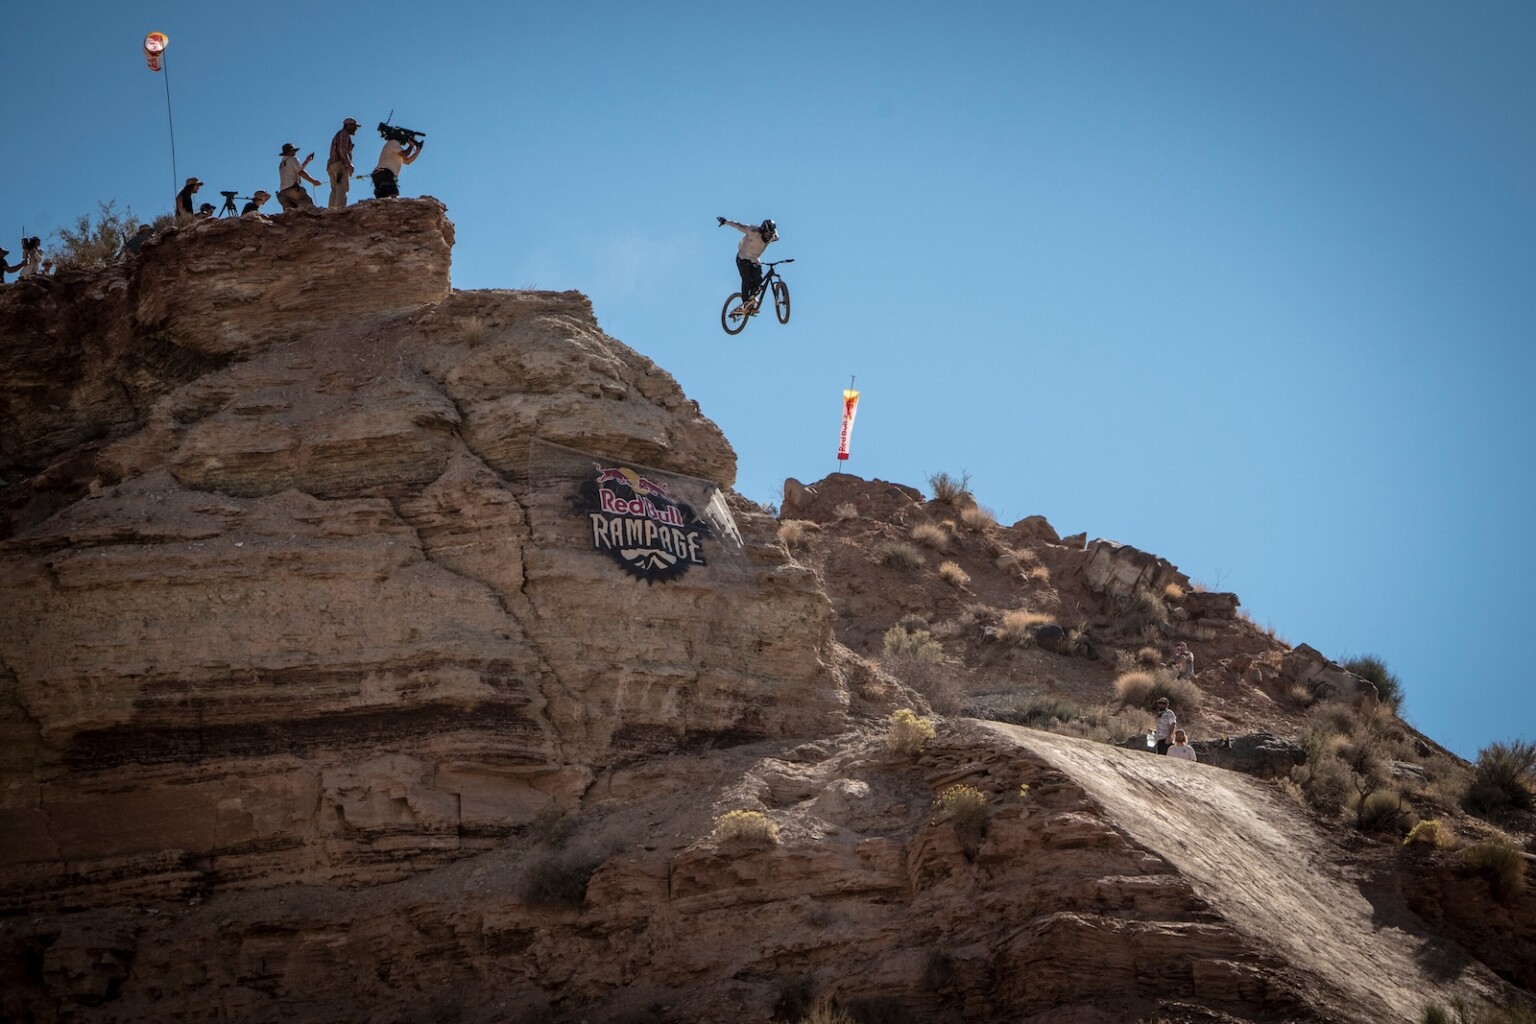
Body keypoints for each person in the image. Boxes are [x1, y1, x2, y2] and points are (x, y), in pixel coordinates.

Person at [717, 216, 778, 313]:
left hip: (755, 259)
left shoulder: (773, 236)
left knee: (758, 280)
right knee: (747, 280)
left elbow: (776, 237)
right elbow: (738, 225)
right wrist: (725, 221)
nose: (768, 236)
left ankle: (751, 299)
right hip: (743, 258)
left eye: (770, 234)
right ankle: (745, 302)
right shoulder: (753, 230)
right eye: (766, 233)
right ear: (762, 230)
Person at [371, 126, 422, 199]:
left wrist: (417, 152)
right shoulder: (393, 142)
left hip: (380, 174)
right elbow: (405, 155)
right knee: (394, 194)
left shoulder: (396, 148)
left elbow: (407, 161)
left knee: (382, 199)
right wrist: (411, 146)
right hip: (385, 173)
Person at [277, 143, 323, 210]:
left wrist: (306, 161)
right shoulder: (292, 159)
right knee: (309, 208)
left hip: (283, 192)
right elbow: (300, 172)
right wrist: (313, 181)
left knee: (291, 213)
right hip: (293, 190)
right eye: (293, 151)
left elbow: (297, 170)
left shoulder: (282, 164)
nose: (295, 153)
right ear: (289, 152)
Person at [327, 117, 360, 209]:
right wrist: (349, 164)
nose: (356, 129)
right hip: (339, 165)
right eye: (354, 126)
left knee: (335, 189)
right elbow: (342, 149)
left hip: (332, 165)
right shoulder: (344, 134)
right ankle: (339, 210)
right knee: (342, 187)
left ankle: (331, 211)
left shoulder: (340, 134)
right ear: (349, 126)